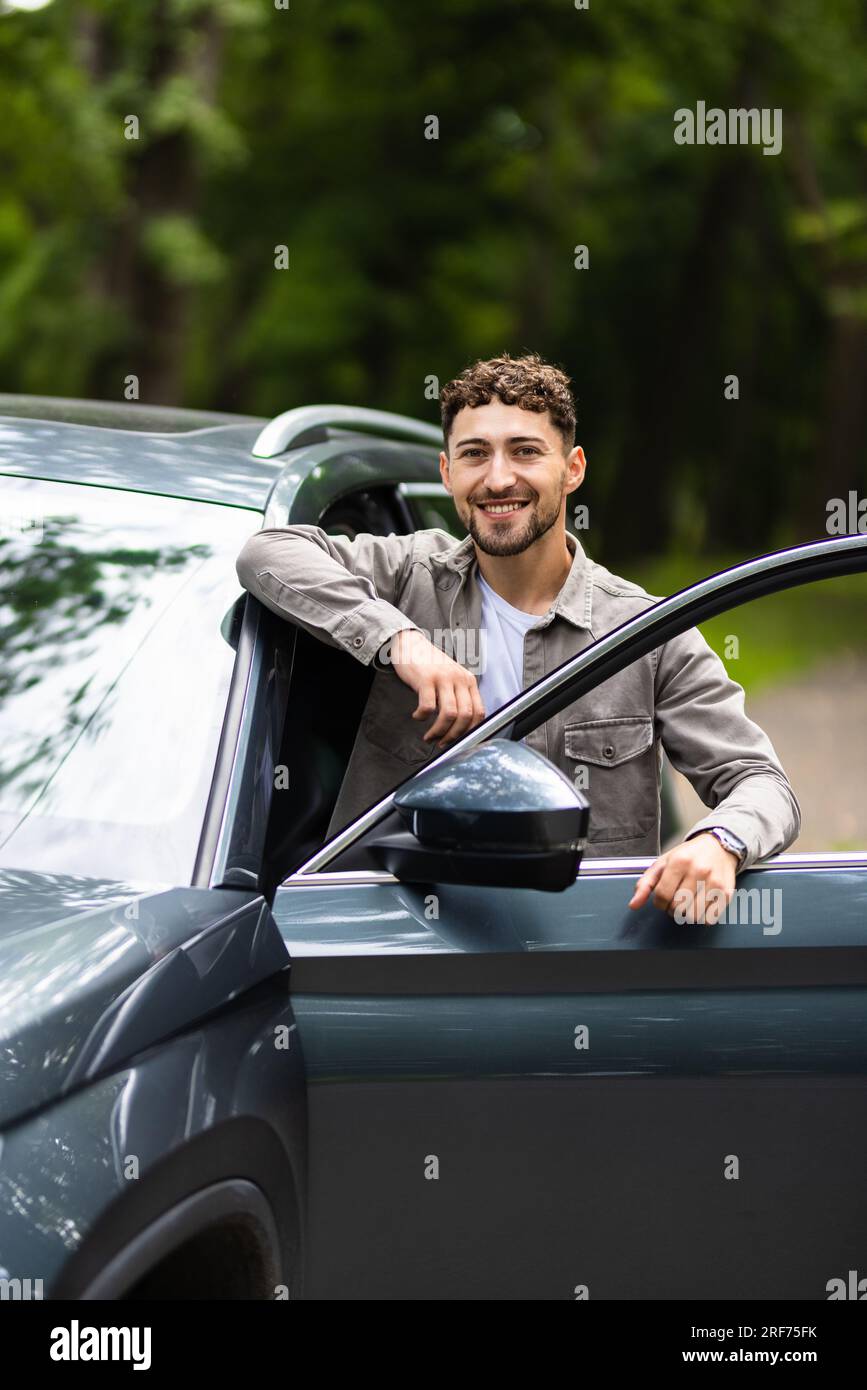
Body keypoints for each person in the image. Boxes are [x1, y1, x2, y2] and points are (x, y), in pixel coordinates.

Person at [236, 352, 800, 923]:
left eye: (525, 451)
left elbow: (763, 784)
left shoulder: (650, 633)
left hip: (570, 958)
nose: (498, 478)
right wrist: (399, 640)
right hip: (389, 945)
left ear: (573, 468)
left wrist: (720, 842)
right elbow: (268, 553)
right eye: (474, 454)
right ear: (447, 472)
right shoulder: (409, 574)